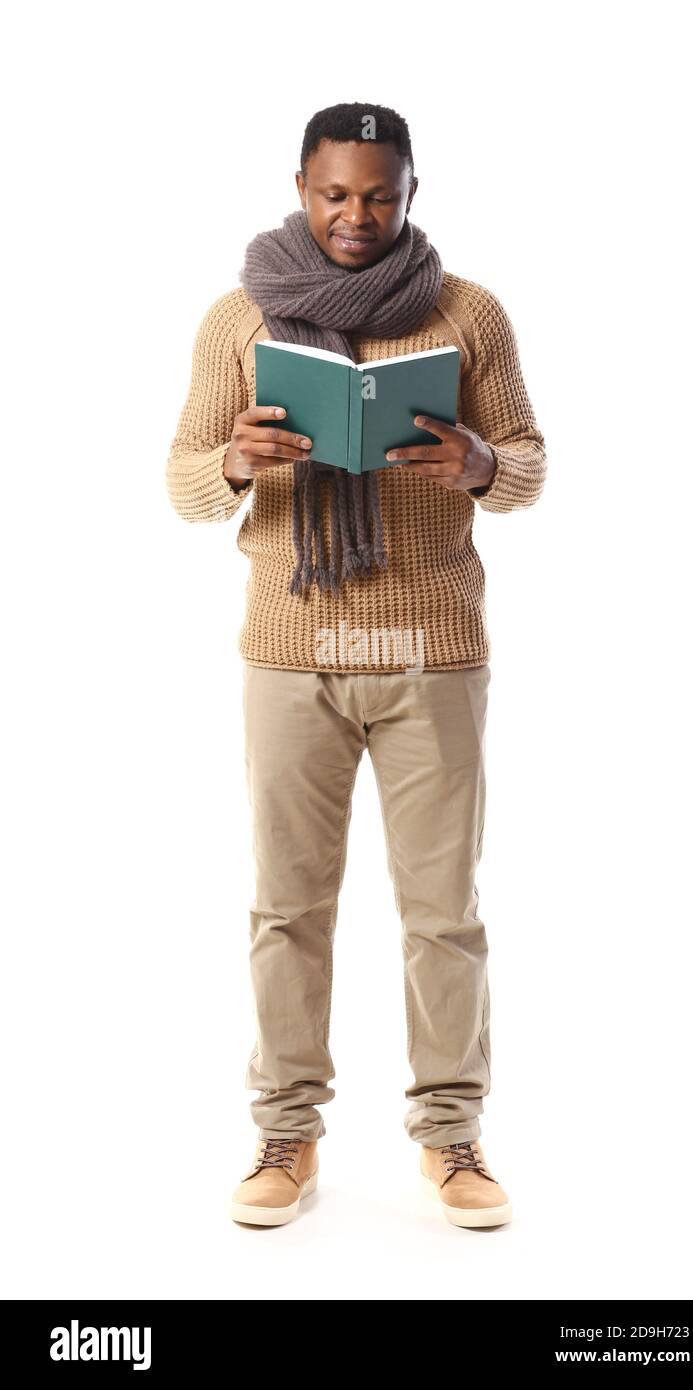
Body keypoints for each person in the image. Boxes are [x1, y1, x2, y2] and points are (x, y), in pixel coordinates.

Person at [166, 102, 547, 1229]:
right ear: (300, 185)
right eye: (335, 193)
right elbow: (179, 478)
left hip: (430, 653)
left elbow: (528, 460)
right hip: (291, 654)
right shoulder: (240, 319)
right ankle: (285, 1130)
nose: (355, 214)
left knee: (442, 911)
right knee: (287, 907)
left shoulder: (464, 314)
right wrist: (231, 459)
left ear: (411, 192)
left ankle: (451, 1134)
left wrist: (481, 463)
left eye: (379, 194)